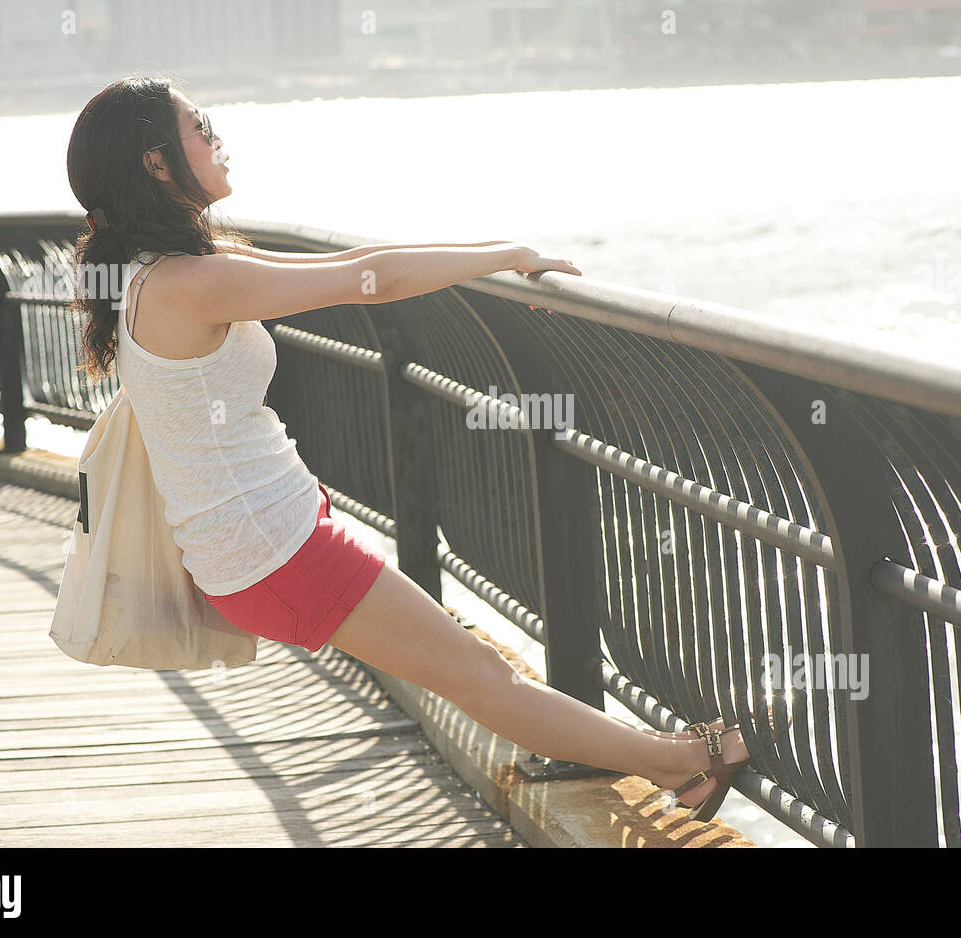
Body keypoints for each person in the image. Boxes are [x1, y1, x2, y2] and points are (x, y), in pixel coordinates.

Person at [66, 75, 753, 824]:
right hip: (274, 553)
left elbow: (360, 264)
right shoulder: (190, 283)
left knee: (475, 673)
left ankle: (671, 760)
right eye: (199, 126)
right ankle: (683, 761)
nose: (216, 135)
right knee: (483, 677)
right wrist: (506, 252)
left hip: (260, 546)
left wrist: (488, 252)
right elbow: (372, 280)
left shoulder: (154, 275)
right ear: (157, 165)